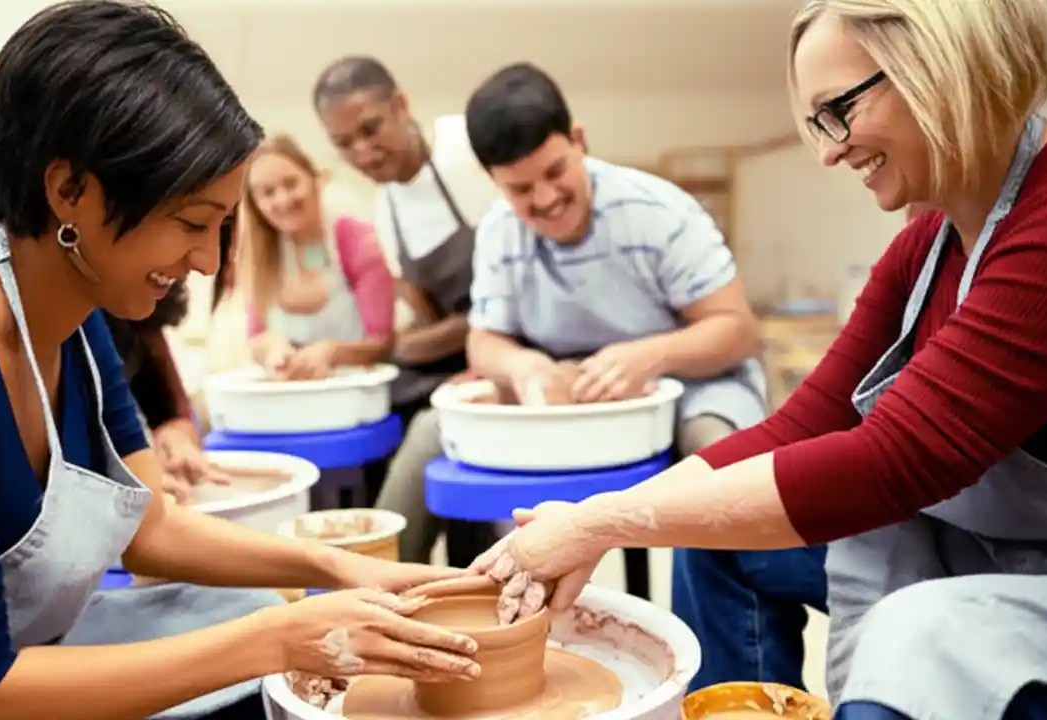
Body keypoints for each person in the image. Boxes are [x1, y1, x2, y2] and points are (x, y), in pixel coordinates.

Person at [0, 4, 480, 719]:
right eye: (192, 224)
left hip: (20, 656)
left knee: (255, 619)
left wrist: (328, 566)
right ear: (70, 189)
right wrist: (277, 639)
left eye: (222, 228)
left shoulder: (80, 324)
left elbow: (148, 528)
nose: (206, 261)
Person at [473, 1, 1047, 718]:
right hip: (996, 541)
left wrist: (606, 524)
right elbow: (801, 423)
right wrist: (599, 515)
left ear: (941, 66)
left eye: (838, 110)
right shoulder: (927, 243)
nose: (830, 151)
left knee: (913, 646)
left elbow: (896, 459)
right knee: (713, 539)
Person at [461, 61, 828, 693]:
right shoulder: (498, 233)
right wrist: (524, 365)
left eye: (555, 173)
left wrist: (649, 355)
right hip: (577, 400)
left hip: (690, 379)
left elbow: (735, 328)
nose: (545, 200)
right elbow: (482, 341)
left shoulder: (657, 210)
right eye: (522, 191)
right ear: (495, 184)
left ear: (579, 139)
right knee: (445, 451)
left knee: (721, 483)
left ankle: (738, 689)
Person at [0, 198, 220, 503]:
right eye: (193, 224)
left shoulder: (101, 308)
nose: (209, 261)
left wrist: (169, 430)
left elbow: (144, 405)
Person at [313, 56, 502, 564]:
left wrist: (473, 332)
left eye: (370, 129)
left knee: (433, 428)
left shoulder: (469, 146)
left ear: (401, 104)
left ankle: (385, 573)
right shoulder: (387, 210)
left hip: (515, 347)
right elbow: (422, 324)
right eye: (344, 144)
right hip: (460, 353)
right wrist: (453, 332)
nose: (363, 152)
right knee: (382, 401)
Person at [204, 134, 394, 380]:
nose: (282, 200)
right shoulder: (258, 255)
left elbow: (382, 341)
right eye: (268, 192)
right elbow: (256, 337)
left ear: (314, 179)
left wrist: (332, 353)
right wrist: (273, 351)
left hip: (355, 391)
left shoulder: (356, 240)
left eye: (291, 184)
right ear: (256, 204)